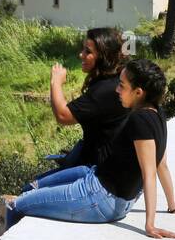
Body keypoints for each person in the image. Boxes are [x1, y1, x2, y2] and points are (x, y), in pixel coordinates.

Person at [0, 59, 175, 240]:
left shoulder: (140, 121)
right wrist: (172, 206)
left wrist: (150, 225)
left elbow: (150, 173)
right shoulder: (157, 111)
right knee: (30, 188)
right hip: (96, 177)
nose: (117, 90)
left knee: (18, 204)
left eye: (122, 86)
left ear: (138, 92)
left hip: (99, 198)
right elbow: (162, 164)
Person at [22, 27, 128, 191]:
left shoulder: (104, 91)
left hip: (96, 173)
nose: (81, 55)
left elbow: (63, 116)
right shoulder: (114, 81)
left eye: (88, 51)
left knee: (28, 190)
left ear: (103, 55)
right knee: (34, 185)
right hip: (102, 164)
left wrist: (55, 82)